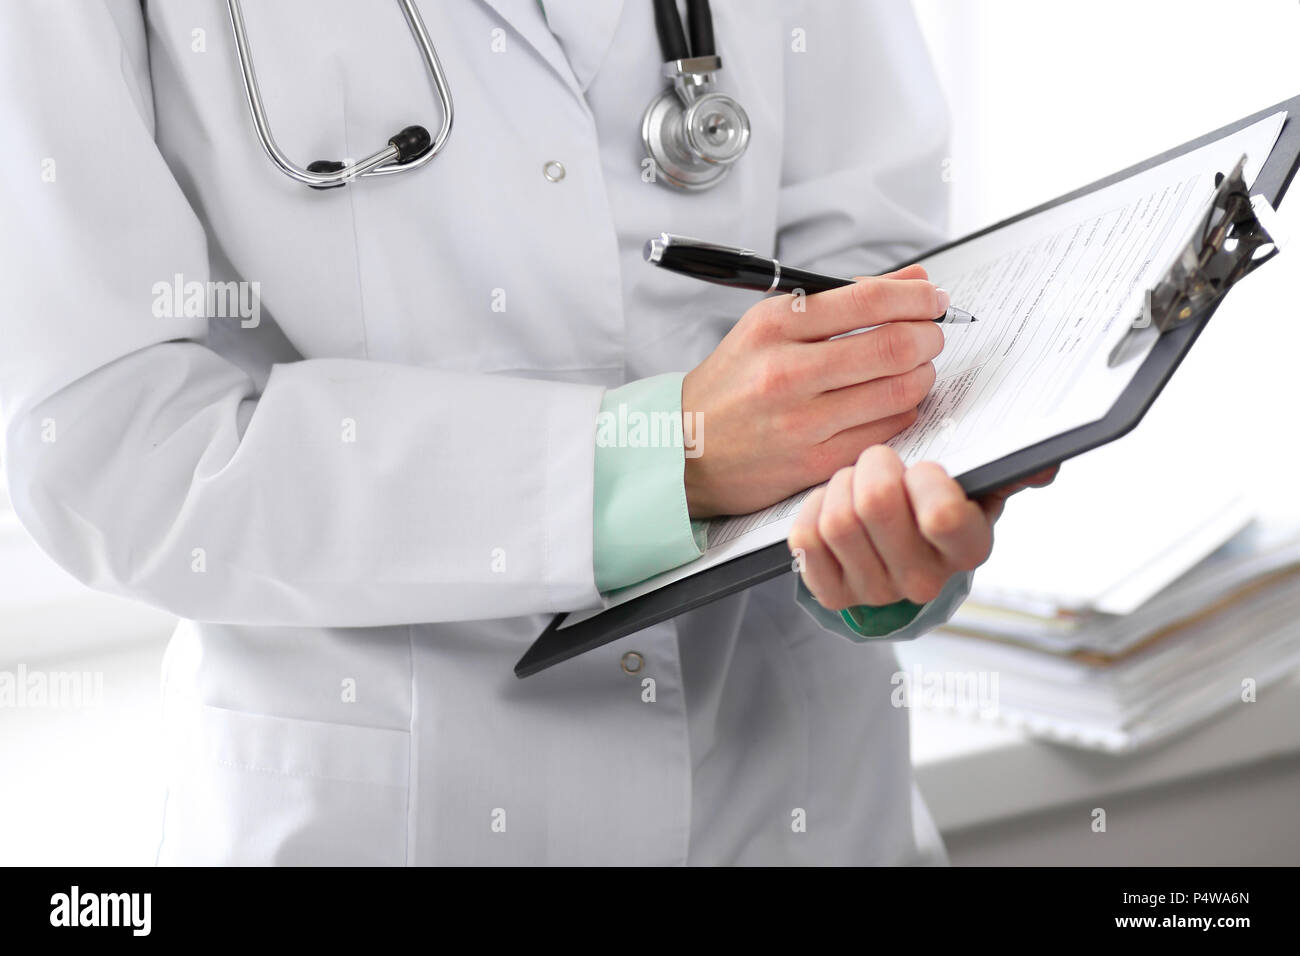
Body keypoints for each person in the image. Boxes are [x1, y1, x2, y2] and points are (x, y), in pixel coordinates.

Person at [0, 0, 1050, 865]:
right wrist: (656, 459)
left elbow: (880, 259)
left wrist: (885, 530)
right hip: (393, 812)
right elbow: (112, 449)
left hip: (799, 795)